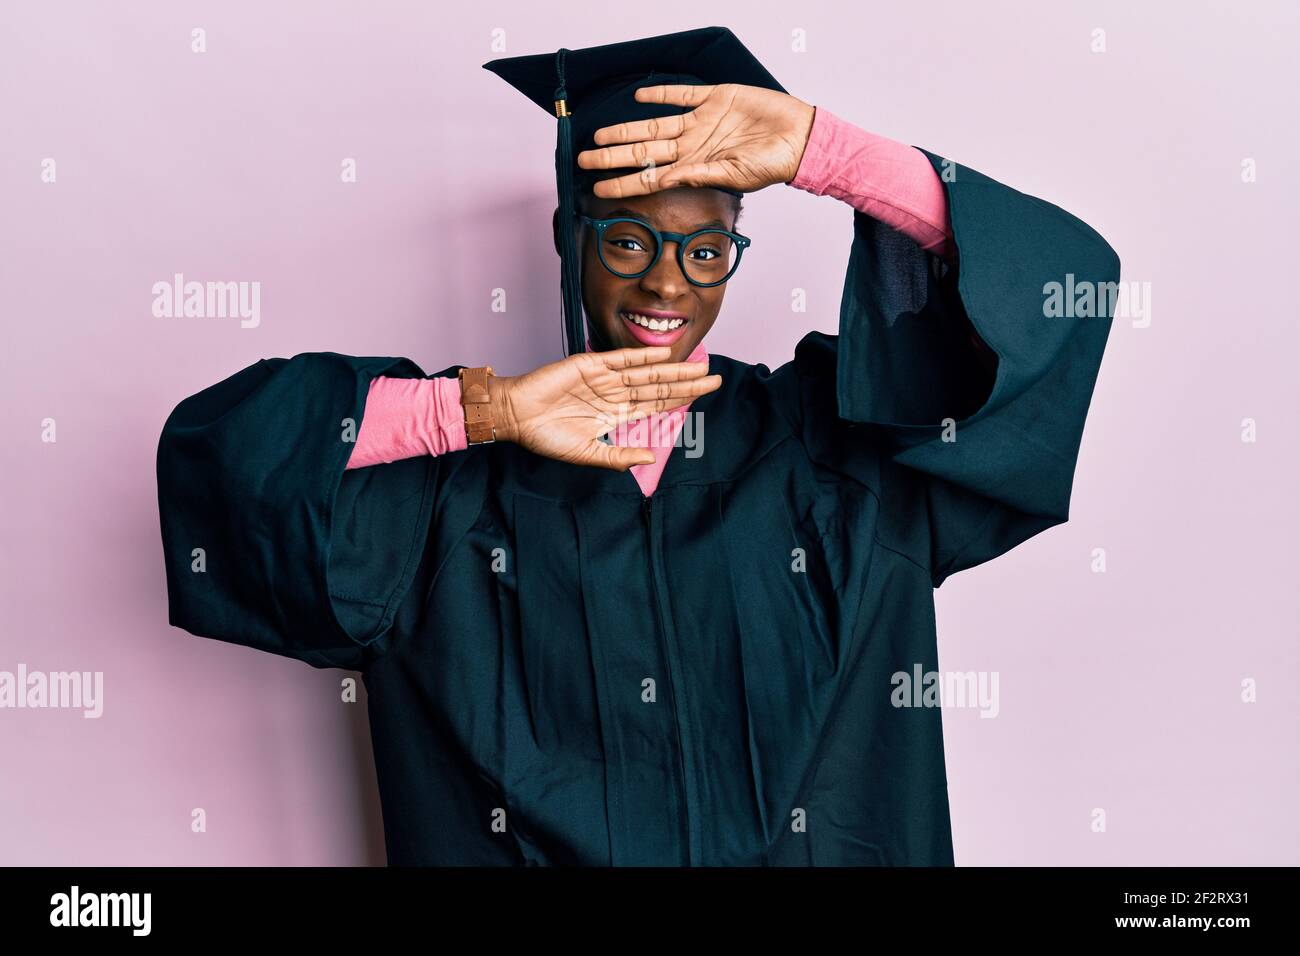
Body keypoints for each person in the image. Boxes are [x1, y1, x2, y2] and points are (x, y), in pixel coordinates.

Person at [156, 26, 1120, 866]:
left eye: (705, 251)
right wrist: (478, 414)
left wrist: (825, 152)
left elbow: (1059, 296)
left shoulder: (836, 457)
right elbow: (226, 455)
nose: (669, 285)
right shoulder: (453, 498)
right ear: (567, 237)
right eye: (627, 241)